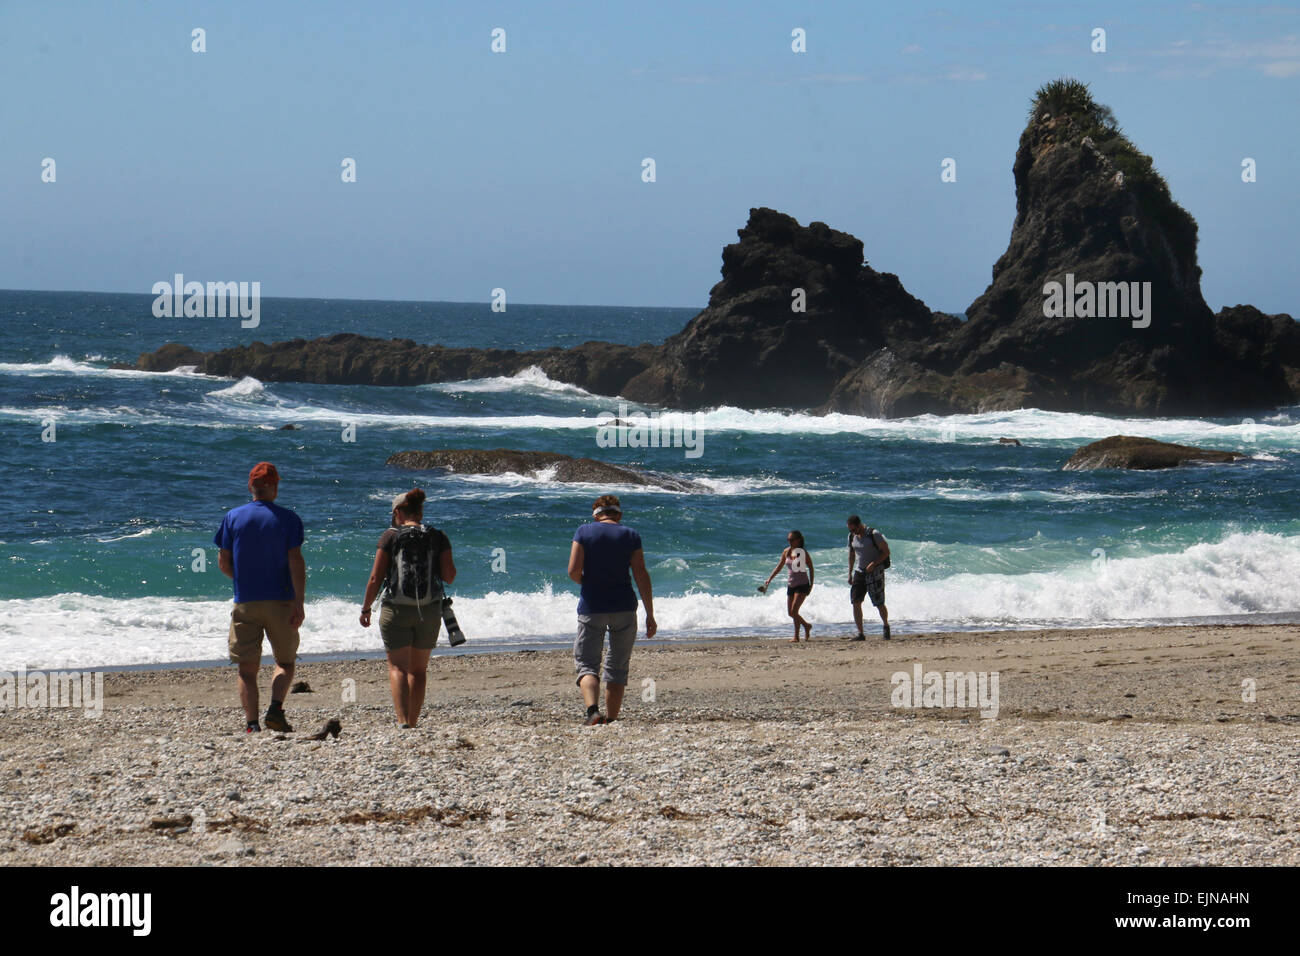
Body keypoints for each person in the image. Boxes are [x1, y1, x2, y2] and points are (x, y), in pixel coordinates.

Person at [215, 462, 306, 733]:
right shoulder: (288, 519)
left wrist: (244, 581)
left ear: (250, 486)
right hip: (281, 600)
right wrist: (299, 601)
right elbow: (296, 562)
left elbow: (223, 562)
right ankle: (275, 709)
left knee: (246, 667)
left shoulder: (233, 517)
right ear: (275, 487)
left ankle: (252, 725)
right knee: (285, 662)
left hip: (246, 600)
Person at [359, 489, 455, 729]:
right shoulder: (438, 536)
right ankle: (413, 721)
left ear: (398, 513)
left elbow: (374, 578)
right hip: (429, 610)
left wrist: (366, 608)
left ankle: (402, 722)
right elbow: (450, 576)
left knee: (398, 668)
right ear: (420, 512)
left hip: (396, 610)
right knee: (419, 671)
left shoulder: (390, 537)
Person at [567, 494, 656, 725]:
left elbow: (573, 570)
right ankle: (613, 719)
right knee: (617, 667)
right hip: (624, 607)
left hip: (592, 605)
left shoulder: (584, 532)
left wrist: (587, 583)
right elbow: (641, 575)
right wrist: (650, 614)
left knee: (587, 664)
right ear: (619, 514)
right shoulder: (631, 535)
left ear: (595, 515)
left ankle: (593, 712)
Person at [759, 530, 815, 642]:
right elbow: (779, 566)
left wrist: (811, 586)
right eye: (788, 539)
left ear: (798, 540)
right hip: (791, 584)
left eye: (792, 540)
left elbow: (811, 568)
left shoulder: (803, 553)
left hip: (802, 584)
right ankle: (798, 635)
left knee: (794, 611)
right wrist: (769, 579)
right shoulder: (786, 552)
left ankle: (805, 627)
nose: (789, 542)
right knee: (791, 613)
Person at [845, 515, 890, 641]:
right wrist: (849, 573)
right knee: (855, 601)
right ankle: (860, 633)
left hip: (875, 571)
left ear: (859, 525)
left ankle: (886, 625)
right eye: (850, 530)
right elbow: (852, 556)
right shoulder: (851, 537)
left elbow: (886, 552)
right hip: (859, 572)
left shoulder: (874, 534)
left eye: (854, 529)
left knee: (878, 602)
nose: (852, 532)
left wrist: (874, 563)